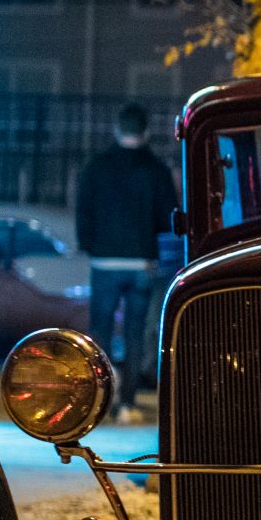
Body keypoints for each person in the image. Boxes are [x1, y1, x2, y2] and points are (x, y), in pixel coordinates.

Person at [76, 103, 178, 423]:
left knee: (101, 332)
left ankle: (100, 400)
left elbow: (83, 210)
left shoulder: (96, 167)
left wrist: (91, 246)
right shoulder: (156, 170)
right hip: (141, 262)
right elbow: (168, 217)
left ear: (116, 130)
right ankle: (128, 404)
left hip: (105, 261)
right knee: (135, 334)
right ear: (145, 132)